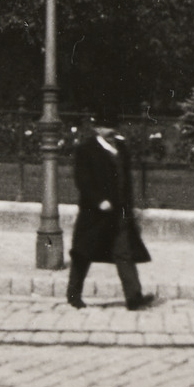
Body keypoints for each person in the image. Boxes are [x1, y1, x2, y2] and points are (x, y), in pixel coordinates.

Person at [67, 117, 153, 311]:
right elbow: (82, 180)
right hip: (95, 214)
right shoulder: (86, 150)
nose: (111, 131)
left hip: (120, 212)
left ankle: (134, 298)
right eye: (107, 127)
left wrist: (131, 207)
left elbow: (126, 181)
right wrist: (99, 200)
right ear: (97, 128)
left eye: (114, 127)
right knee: (83, 253)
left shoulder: (121, 147)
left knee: (124, 253)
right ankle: (73, 295)